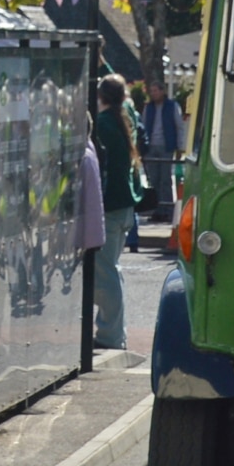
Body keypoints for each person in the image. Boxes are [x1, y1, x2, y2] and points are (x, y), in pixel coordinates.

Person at [92, 75, 143, 350]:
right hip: (125, 206)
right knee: (112, 269)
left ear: (99, 97)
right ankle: (113, 331)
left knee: (106, 273)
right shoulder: (125, 119)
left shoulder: (103, 124)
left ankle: (110, 335)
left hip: (109, 208)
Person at [139, 80, 185, 223]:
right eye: (151, 91)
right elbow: (143, 125)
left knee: (165, 180)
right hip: (151, 147)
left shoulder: (172, 106)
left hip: (166, 146)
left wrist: (180, 147)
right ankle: (157, 210)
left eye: (156, 91)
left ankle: (168, 210)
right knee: (154, 180)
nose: (154, 94)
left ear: (162, 91)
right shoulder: (149, 108)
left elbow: (179, 127)